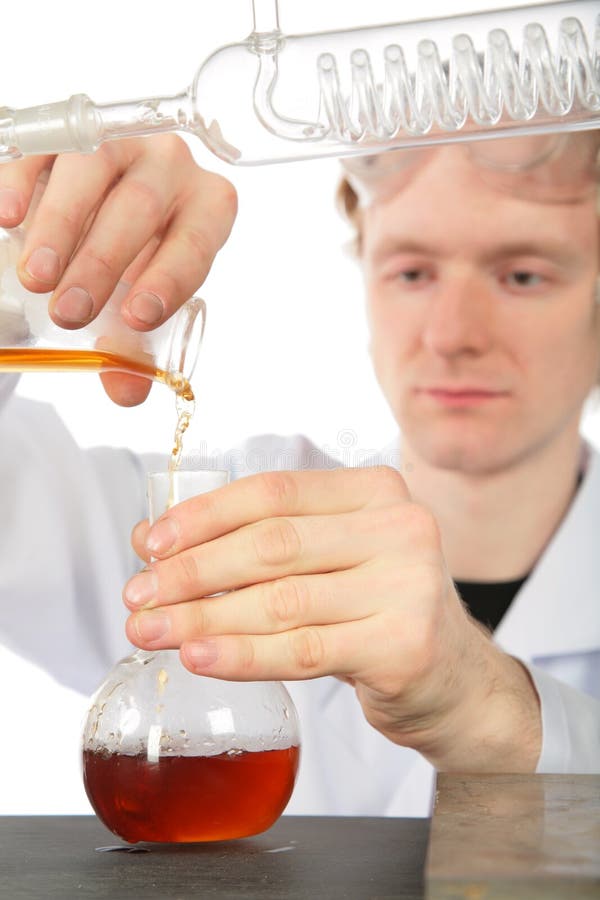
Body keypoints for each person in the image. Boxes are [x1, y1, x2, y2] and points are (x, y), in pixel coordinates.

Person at [0, 130, 598, 819]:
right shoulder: (212, 519)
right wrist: (18, 259)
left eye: (523, 274)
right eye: (412, 271)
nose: (453, 334)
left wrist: (497, 714)